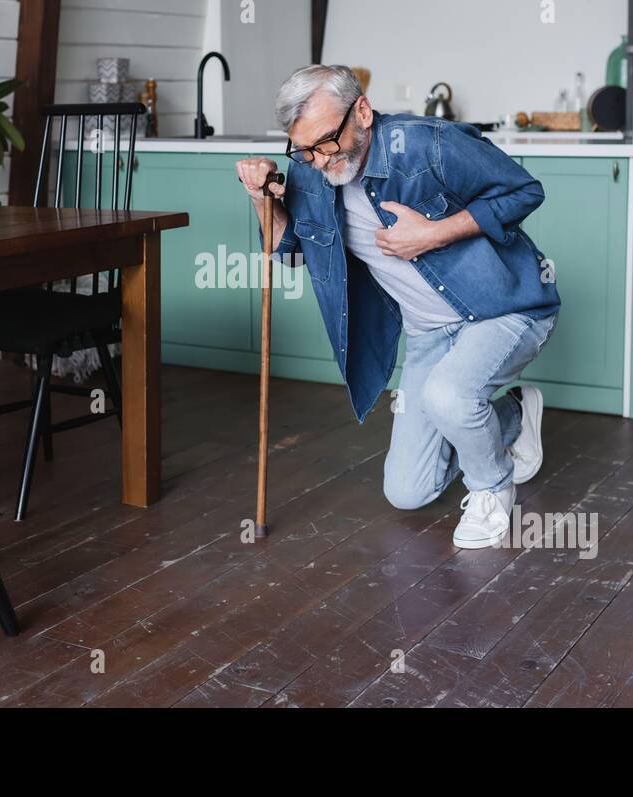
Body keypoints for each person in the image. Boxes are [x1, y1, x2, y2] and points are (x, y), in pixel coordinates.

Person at [235, 65, 560, 548]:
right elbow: (292, 252)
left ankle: (492, 489)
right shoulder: (311, 167)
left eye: (325, 141)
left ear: (362, 111)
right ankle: (512, 415)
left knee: (449, 396)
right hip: (430, 334)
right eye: (302, 148)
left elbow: (525, 190)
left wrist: (435, 233)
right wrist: (263, 201)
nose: (319, 161)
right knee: (409, 491)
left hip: (504, 309)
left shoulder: (428, 143)